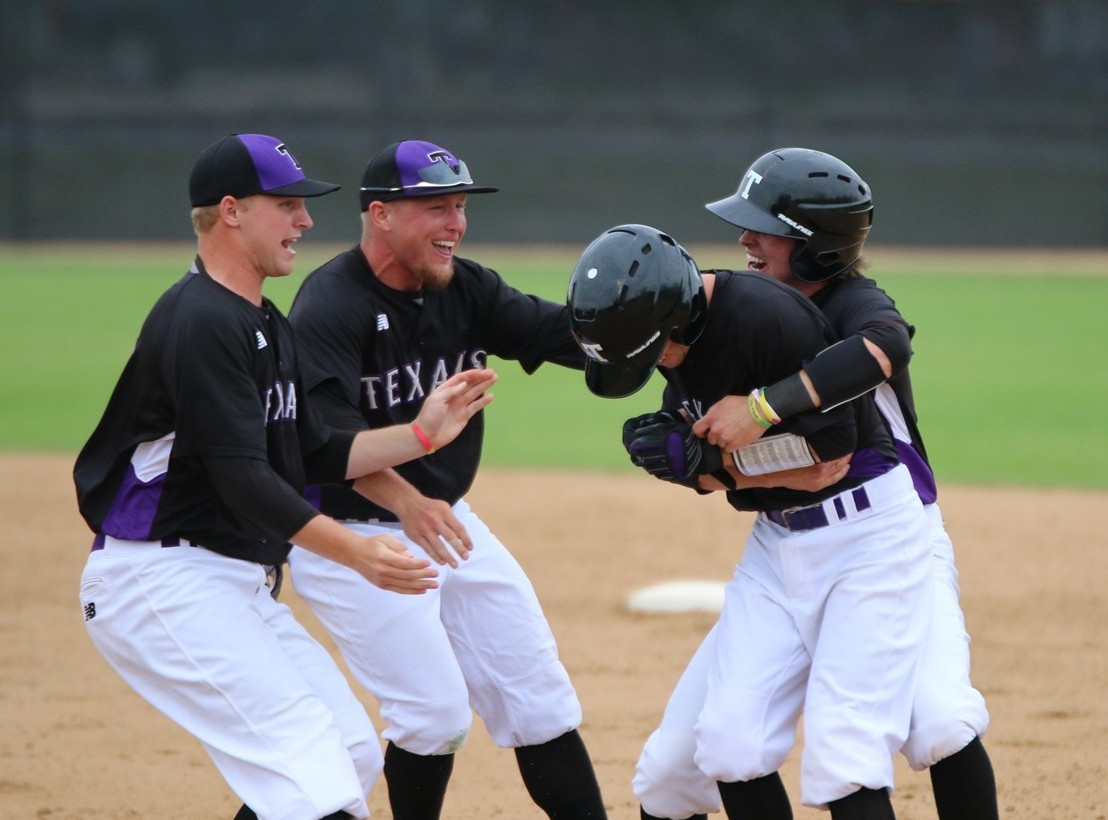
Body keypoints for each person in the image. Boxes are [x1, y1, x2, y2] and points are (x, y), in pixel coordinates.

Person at [74, 132, 496, 820]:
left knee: (351, 755)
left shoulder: (261, 320)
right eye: (289, 203)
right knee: (315, 783)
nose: (305, 219)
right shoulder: (201, 319)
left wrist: (420, 433)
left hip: (228, 580)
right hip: (162, 580)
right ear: (232, 211)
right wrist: (356, 550)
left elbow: (316, 449)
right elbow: (242, 476)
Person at [284, 139, 607, 819]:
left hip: (443, 518)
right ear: (379, 216)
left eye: (459, 206)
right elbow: (324, 446)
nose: (455, 223)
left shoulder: (469, 287)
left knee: (538, 696)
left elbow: (561, 335)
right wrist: (406, 502)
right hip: (349, 531)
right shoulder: (329, 305)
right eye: (435, 207)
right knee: (432, 716)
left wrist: (656, 337)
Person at [567, 223, 935, 820]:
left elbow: (830, 454)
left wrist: (734, 454)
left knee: (846, 754)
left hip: (870, 539)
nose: (658, 364)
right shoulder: (677, 337)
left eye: (655, 350)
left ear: (677, 318)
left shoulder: (765, 317)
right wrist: (697, 463)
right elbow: (719, 460)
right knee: (728, 744)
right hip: (778, 546)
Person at [692, 147, 998, 819]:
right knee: (728, 741)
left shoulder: (857, 301)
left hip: (892, 540)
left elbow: (885, 345)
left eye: (764, 227)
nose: (744, 239)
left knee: (942, 722)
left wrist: (765, 407)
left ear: (816, 249)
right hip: (784, 546)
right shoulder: (749, 306)